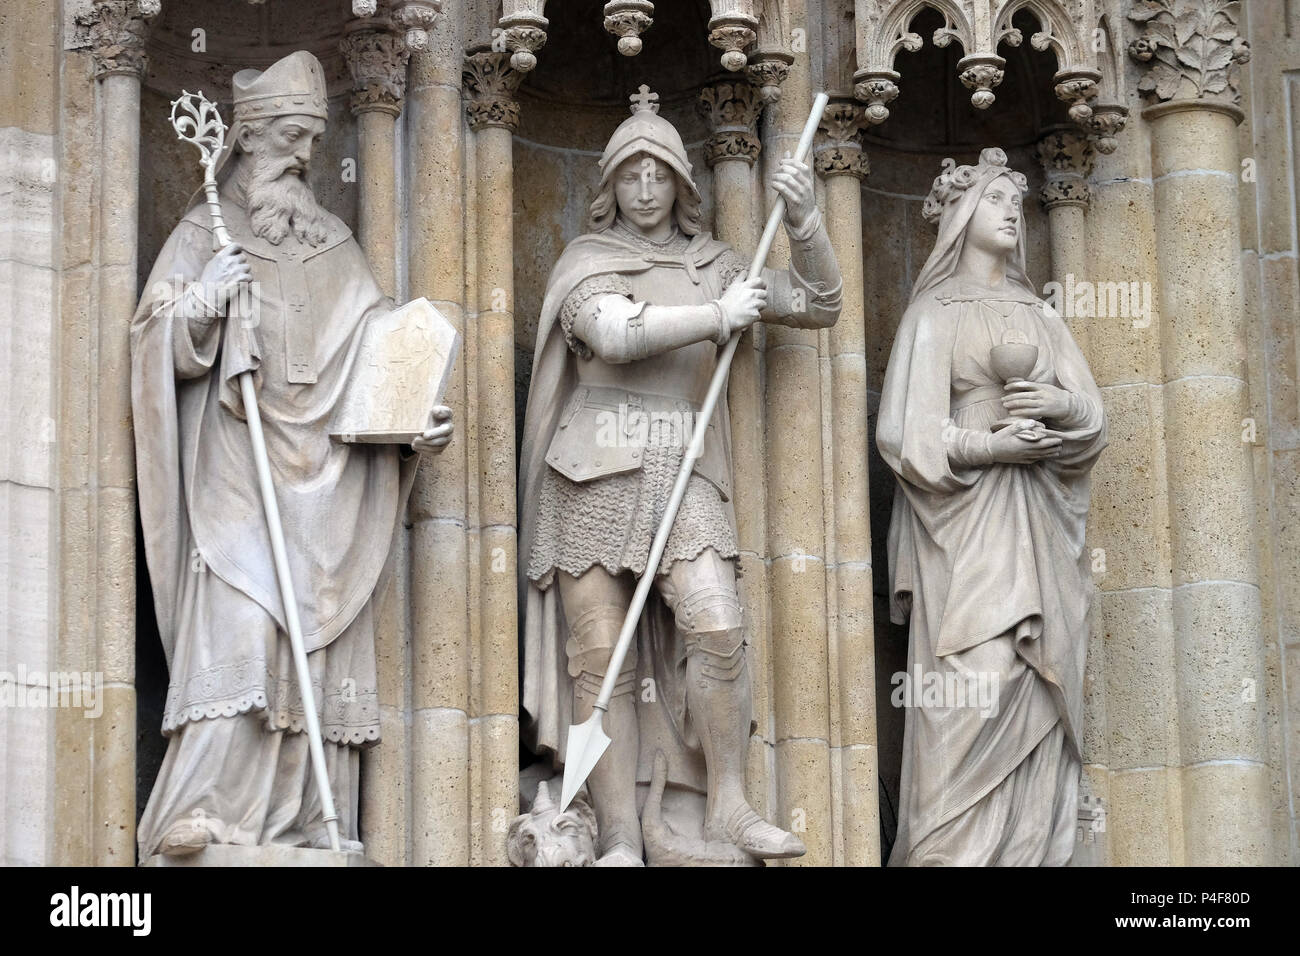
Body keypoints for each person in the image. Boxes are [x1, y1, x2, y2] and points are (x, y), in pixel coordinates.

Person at [132, 51, 451, 857]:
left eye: (315, 137)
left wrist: (411, 417)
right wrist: (204, 297)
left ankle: (313, 819)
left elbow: (375, 343)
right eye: (290, 136)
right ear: (245, 138)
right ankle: (201, 808)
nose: (307, 155)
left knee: (320, 634)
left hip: (330, 479)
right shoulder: (205, 231)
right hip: (235, 463)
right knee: (240, 626)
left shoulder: (334, 240)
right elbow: (150, 342)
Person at [518, 86, 842, 865]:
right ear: (609, 188)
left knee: (716, 623)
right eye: (629, 176)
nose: (644, 190)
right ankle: (622, 836)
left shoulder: (720, 264)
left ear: (682, 184)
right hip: (589, 467)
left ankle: (729, 805)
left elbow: (823, 304)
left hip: (684, 463)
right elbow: (612, 334)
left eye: (658, 174)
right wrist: (717, 316)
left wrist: (805, 221)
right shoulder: (587, 261)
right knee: (600, 658)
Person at [878, 147, 1107, 866]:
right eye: (995, 200)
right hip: (966, 529)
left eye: (1016, 201)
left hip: (1036, 518)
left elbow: (1093, 421)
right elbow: (905, 436)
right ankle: (946, 853)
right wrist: (988, 447)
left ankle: (1030, 851)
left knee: (1035, 687)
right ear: (958, 217)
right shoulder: (933, 312)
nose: (1012, 212)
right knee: (977, 681)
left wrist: (1058, 404)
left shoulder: (1037, 314)